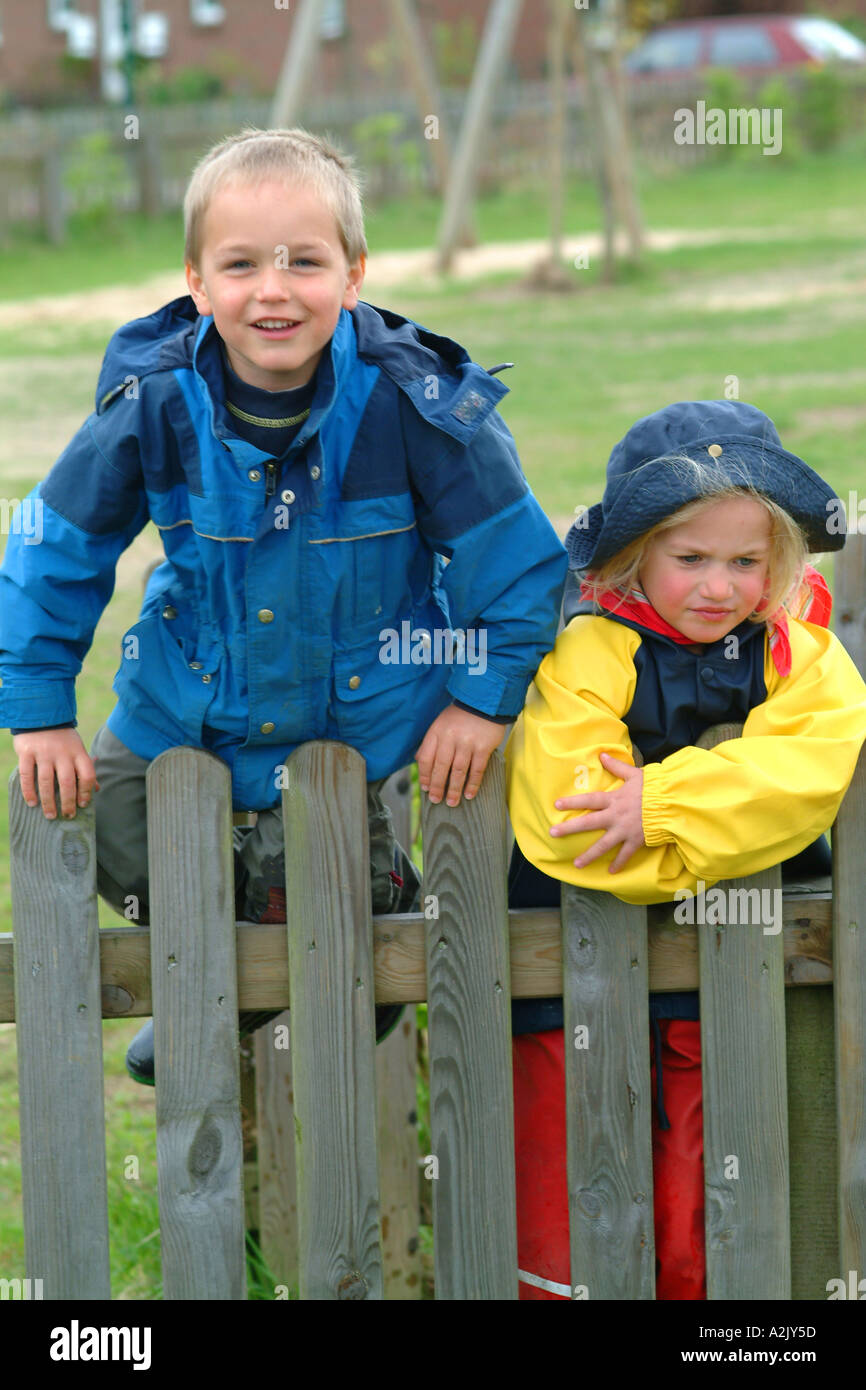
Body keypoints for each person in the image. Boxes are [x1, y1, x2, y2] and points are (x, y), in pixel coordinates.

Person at [0, 127, 567, 1082]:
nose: (273, 289)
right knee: (108, 820)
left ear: (352, 275)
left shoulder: (414, 404)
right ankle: (236, 988)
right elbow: (53, 547)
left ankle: (341, 967)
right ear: (195, 280)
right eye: (240, 264)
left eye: (304, 261)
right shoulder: (154, 399)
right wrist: (38, 706)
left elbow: (517, 566)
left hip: (366, 717)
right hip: (191, 693)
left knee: (336, 875)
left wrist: (481, 696)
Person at [504, 399, 866, 1299]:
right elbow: (577, 818)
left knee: (712, 1183)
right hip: (573, 968)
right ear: (634, 558)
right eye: (690, 558)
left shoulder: (798, 654)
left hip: (743, 969)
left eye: (747, 562)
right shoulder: (594, 648)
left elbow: (808, 768)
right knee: (569, 1175)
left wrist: (660, 805)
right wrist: (724, 832)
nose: (720, 586)